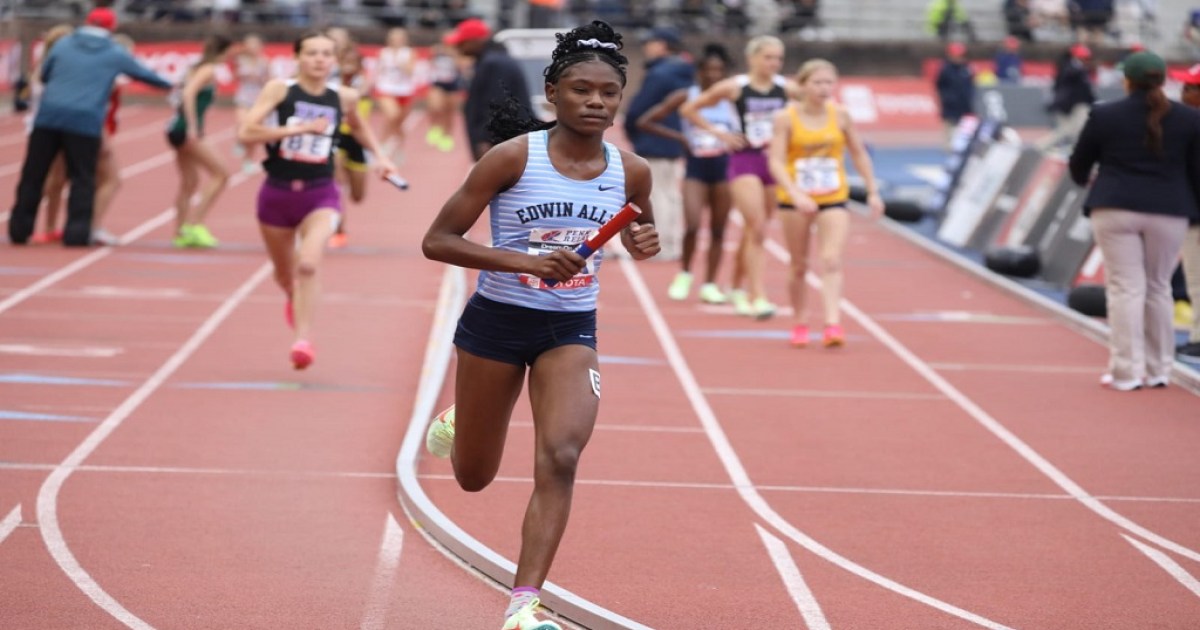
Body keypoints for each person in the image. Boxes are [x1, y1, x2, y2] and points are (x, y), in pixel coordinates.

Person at [420, 21, 659, 630]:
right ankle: (461, 417)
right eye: (581, 90)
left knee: (561, 457)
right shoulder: (511, 158)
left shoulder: (631, 171)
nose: (595, 102)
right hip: (496, 325)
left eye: (608, 93)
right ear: (551, 93)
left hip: (569, 330)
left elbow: (638, 231)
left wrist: (645, 241)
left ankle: (522, 604)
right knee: (474, 478)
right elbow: (438, 241)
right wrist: (523, 260)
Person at [238, 31, 399, 370]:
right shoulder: (279, 90)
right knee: (285, 275)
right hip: (277, 192)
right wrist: (297, 130)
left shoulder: (345, 97)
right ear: (298, 58)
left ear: (335, 61)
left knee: (308, 263)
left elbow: (360, 129)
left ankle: (302, 339)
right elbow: (247, 132)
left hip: (320, 192)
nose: (319, 59)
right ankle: (292, 295)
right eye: (312, 53)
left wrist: (381, 158)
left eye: (326, 54)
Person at [1068, 51, 1200, 390]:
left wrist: (1086, 180)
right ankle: (1160, 370)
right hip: (1170, 209)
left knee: (1125, 287)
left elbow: (1079, 163)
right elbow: (1196, 171)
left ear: (1127, 81)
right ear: (1162, 80)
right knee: (1158, 288)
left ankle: (1126, 372)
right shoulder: (1189, 119)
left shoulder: (1104, 115)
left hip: (1115, 207)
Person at [7, 7, 171, 247]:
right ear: (111, 28)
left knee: (33, 175)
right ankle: (76, 233)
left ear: (86, 22)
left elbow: (45, 74)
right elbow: (145, 76)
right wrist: (173, 86)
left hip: (49, 117)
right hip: (84, 121)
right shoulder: (114, 52)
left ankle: (19, 230)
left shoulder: (63, 45)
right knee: (82, 178)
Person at [680, 35, 802, 319]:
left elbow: (818, 104)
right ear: (753, 58)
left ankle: (736, 286)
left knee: (755, 231)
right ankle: (756, 295)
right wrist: (720, 133)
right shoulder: (736, 87)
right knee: (756, 225)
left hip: (774, 161)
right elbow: (689, 109)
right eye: (768, 57)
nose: (773, 63)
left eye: (778, 59)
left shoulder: (788, 88)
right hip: (744, 159)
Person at [768, 59, 885, 348]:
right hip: (796, 200)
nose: (824, 88)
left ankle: (832, 323)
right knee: (798, 265)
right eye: (818, 83)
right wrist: (794, 192)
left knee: (831, 260)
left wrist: (872, 190)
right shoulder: (786, 117)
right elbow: (775, 161)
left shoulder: (841, 115)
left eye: (829, 83)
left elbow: (858, 153)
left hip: (832, 196)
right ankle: (800, 321)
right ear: (804, 85)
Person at [637, 43, 735, 304]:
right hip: (695, 169)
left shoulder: (731, 100)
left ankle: (711, 284)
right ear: (699, 72)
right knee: (692, 225)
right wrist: (680, 137)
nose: (714, 75)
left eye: (719, 71)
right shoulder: (686, 96)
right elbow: (645, 121)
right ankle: (685, 273)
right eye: (709, 70)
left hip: (725, 169)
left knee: (718, 229)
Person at [623, 26, 693, 264]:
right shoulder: (684, 72)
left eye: (650, 43)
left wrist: (632, 129)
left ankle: (660, 246)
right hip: (673, 139)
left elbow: (638, 109)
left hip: (654, 138)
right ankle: (672, 244)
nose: (646, 47)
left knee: (657, 195)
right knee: (670, 193)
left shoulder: (660, 74)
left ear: (663, 45)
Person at [166, 34, 234, 249]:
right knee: (221, 174)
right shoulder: (207, 70)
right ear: (223, 51)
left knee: (190, 182)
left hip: (176, 128)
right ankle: (195, 224)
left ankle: (180, 232)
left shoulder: (194, 67)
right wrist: (194, 126)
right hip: (186, 129)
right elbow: (188, 94)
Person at [447, 17, 534, 161]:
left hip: (501, 144)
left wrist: (486, 139)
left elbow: (497, 103)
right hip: (505, 142)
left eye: (461, 43)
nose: (458, 47)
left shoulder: (493, 63)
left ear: (475, 41)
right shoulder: (493, 59)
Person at [25, 23, 75, 245]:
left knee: (60, 179)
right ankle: (46, 225)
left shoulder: (53, 67)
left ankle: (52, 225)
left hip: (58, 125)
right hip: (46, 127)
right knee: (51, 179)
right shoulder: (46, 69)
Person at [1168, 64, 1200, 361]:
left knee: (1197, 277)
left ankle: (1199, 336)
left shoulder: (1191, 125)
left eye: (1189, 87)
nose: (1182, 91)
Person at [331, 43, 373, 249]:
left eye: (352, 63)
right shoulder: (331, 82)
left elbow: (357, 95)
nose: (347, 66)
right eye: (344, 62)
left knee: (357, 196)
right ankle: (338, 228)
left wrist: (348, 79)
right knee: (337, 182)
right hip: (337, 137)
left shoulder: (362, 82)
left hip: (357, 140)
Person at [1041, 43, 1095, 151]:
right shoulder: (1070, 68)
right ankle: (1039, 147)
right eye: (1084, 57)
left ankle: (1075, 153)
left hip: (1073, 104)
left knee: (1076, 132)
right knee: (1066, 130)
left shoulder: (1076, 68)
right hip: (1068, 105)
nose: (1086, 60)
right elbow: (1067, 85)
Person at [374, 27, 418, 162]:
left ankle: (399, 149)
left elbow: (411, 72)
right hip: (386, 88)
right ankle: (382, 145)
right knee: (392, 115)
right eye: (394, 38)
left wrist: (401, 63)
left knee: (399, 123)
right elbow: (378, 70)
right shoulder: (383, 52)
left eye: (400, 38)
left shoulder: (409, 53)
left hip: (404, 90)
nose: (397, 41)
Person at [233, 33, 271, 174]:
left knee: (252, 131)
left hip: (258, 99)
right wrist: (244, 75)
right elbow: (235, 76)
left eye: (255, 44)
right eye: (250, 44)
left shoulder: (264, 62)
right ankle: (239, 141)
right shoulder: (240, 60)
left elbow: (268, 81)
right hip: (243, 98)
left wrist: (260, 78)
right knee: (242, 124)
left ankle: (247, 161)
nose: (253, 47)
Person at [426, 41, 465, 153]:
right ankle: (435, 127)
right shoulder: (437, 51)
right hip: (438, 83)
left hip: (453, 85)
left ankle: (447, 135)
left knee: (449, 112)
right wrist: (433, 54)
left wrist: (454, 55)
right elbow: (430, 64)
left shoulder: (457, 52)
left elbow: (461, 66)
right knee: (435, 107)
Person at [935, 41, 975, 150]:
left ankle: (964, 147)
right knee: (950, 126)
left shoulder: (967, 68)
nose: (959, 58)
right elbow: (939, 85)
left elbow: (971, 84)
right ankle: (949, 148)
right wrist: (946, 98)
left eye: (961, 55)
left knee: (965, 127)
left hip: (965, 103)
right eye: (956, 55)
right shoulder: (945, 69)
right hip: (951, 104)